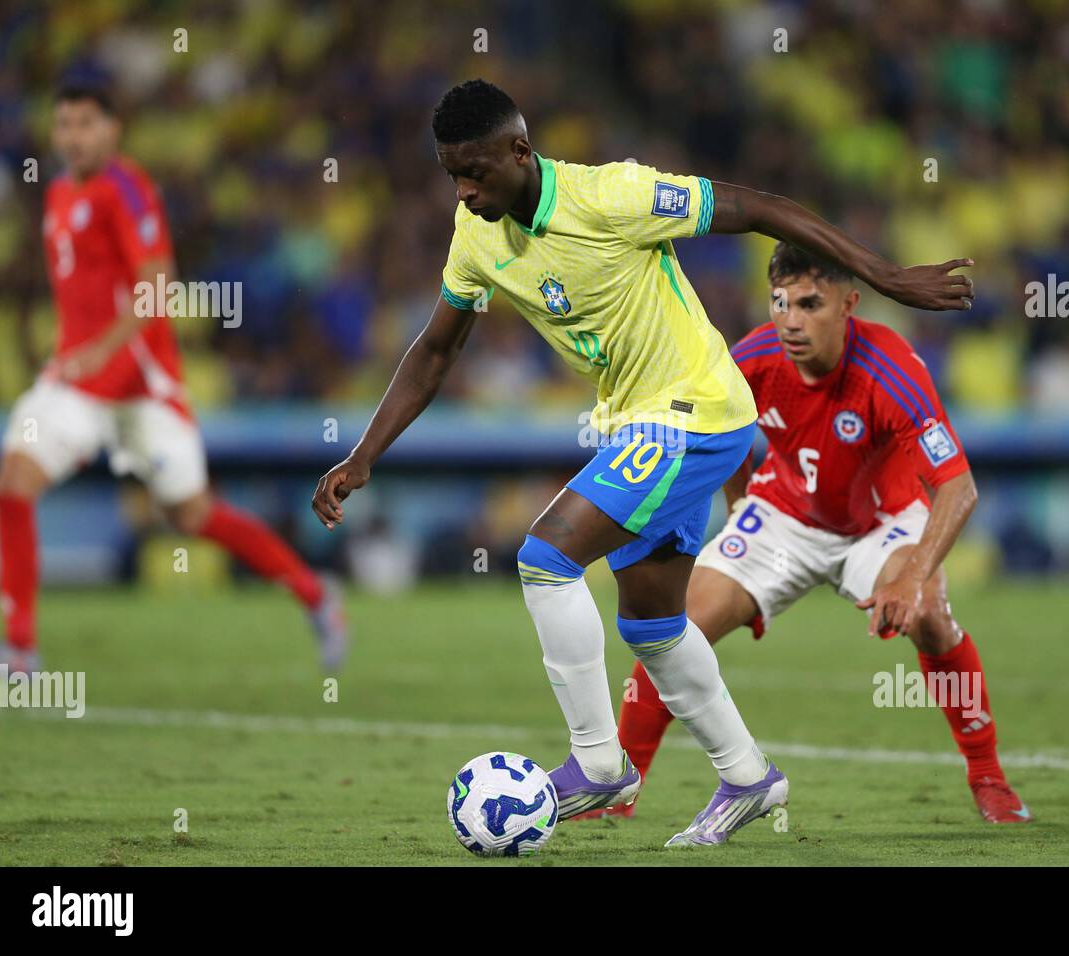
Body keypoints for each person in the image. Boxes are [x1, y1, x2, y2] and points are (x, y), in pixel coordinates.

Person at [311, 80, 973, 846]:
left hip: (694, 414)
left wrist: (884, 275)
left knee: (544, 558)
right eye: (451, 175)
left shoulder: (614, 195)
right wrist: (364, 455)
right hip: (633, 426)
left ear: (520, 151)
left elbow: (757, 207)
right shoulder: (475, 239)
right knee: (653, 626)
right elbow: (434, 351)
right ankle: (749, 776)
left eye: (477, 173)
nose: (464, 191)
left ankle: (597, 762)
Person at [603, 243, 1030, 824]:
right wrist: (740, 498)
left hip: (881, 524)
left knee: (930, 613)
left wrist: (910, 576)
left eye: (810, 304)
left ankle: (988, 777)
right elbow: (711, 429)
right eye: (780, 303)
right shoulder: (751, 359)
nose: (792, 320)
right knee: (674, 629)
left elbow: (958, 487)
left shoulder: (891, 368)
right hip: (781, 517)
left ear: (849, 304)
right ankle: (616, 794)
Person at [0, 84, 347, 676]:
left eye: (86, 124)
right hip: (76, 383)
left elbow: (156, 286)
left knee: (192, 515)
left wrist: (98, 350)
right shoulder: (55, 194)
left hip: (142, 386)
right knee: (11, 485)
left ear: (113, 129)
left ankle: (315, 594)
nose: (74, 136)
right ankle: (21, 648)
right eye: (65, 125)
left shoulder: (127, 189)